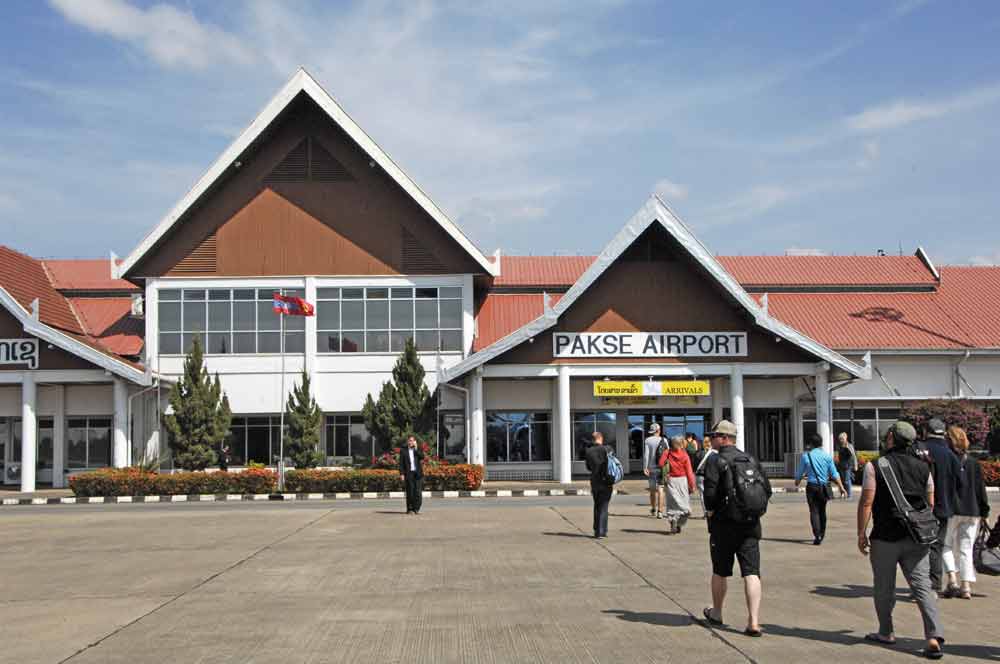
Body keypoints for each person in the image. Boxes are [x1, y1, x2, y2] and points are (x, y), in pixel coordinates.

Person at [857, 421, 944, 659]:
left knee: (884, 587)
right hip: (917, 536)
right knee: (922, 586)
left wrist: (861, 533)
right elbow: (930, 502)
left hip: (885, 536)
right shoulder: (923, 467)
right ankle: (933, 636)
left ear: (892, 439)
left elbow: (866, 501)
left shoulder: (875, 466)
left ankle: (886, 632)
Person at [702, 420, 772, 638]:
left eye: (714, 436)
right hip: (750, 524)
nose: (711, 439)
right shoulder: (750, 458)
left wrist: (712, 511)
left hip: (724, 525)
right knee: (751, 572)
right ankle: (754, 621)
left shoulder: (716, 460)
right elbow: (767, 490)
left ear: (724, 438)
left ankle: (717, 613)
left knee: (720, 571)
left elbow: (710, 496)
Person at [941, 425, 990, 600]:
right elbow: (980, 489)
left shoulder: (946, 460)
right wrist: (985, 512)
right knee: (965, 548)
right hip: (972, 510)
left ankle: (952, 579)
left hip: (951, 510)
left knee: (945, 545)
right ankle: (966, 586)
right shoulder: (974, 463)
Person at [922, 418, 963, 592]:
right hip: (944, 508)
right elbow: (961, 483)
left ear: (926, 431)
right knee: (937, 546)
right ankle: (935, 584)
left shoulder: (919, 450)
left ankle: (922, 585)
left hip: (921, 507)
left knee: (920, 547)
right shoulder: (951, 455)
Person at [795, 433, 847, 545]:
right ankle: (821, 534)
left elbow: (799, 473)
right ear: (821, 444)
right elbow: (834, 473)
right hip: (824, 487)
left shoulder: (806, 456)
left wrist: (797, 481)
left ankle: (817, 535)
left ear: (811, 444)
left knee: (814, 511)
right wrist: (841, 487)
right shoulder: (827, 456)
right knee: (822, 511)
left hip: (812, 487)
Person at [661, 434, 697, 534]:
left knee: (672, 504)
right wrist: (692, 485)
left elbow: (661, 463)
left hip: (671, 480)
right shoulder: (685, 455)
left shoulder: (667, 453)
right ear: (681, 443)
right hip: (682, 481)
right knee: (684, 503)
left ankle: (673, 520)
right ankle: (680, 522)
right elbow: (689, 472)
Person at [585, 430, 612, 538]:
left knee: (597, 505)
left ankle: (597, 530)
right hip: (606, 481)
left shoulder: (588, 451)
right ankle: (602, 531)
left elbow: (588, 467)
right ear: (601, 438)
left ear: (593, 439)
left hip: (595, 481)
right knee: (604, 506)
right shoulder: (607, 449)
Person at [643, 423, 667, 518]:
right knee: (661, 489)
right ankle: (660, 512)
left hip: (652, 469)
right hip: (662, 468)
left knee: (652, 490)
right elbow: (667, 454)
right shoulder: (664, 440)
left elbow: (646, 455)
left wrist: (645, 467)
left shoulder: (648, 440)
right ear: (658, 430)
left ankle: (653, 509)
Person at [399, 435, 424, 515]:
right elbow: (401, 464)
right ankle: (410, 509)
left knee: (418, 492)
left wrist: (416, 448)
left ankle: (416, 508)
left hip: (418, 474)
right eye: (410, 440)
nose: (411, 442)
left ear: (415, 442)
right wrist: (402, 474)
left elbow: (422, 457)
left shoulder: (417, 449)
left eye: (413, 440)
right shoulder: (403, 451)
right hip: (409, 474)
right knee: (410, 492)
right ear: (407, 442)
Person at [693, 437, 716, 518]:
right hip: (711, 476)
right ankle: (712, 510)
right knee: (711, 493)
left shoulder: (698, 453)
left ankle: (705, 512)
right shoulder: (714, 453)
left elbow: (694, 466)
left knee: (702, 495)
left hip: (700, 476)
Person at [837, 432, 859, 498]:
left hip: (847, 466)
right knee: (842, 481)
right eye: (840, 439)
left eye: (841, 439)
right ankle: (843, 494)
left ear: (845, 438)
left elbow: (854, 456)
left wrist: (855, 465)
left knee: (847, 480)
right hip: (841, 465)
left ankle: (849, 495)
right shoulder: (839, 446)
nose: (840, 440)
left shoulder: (849, 445)